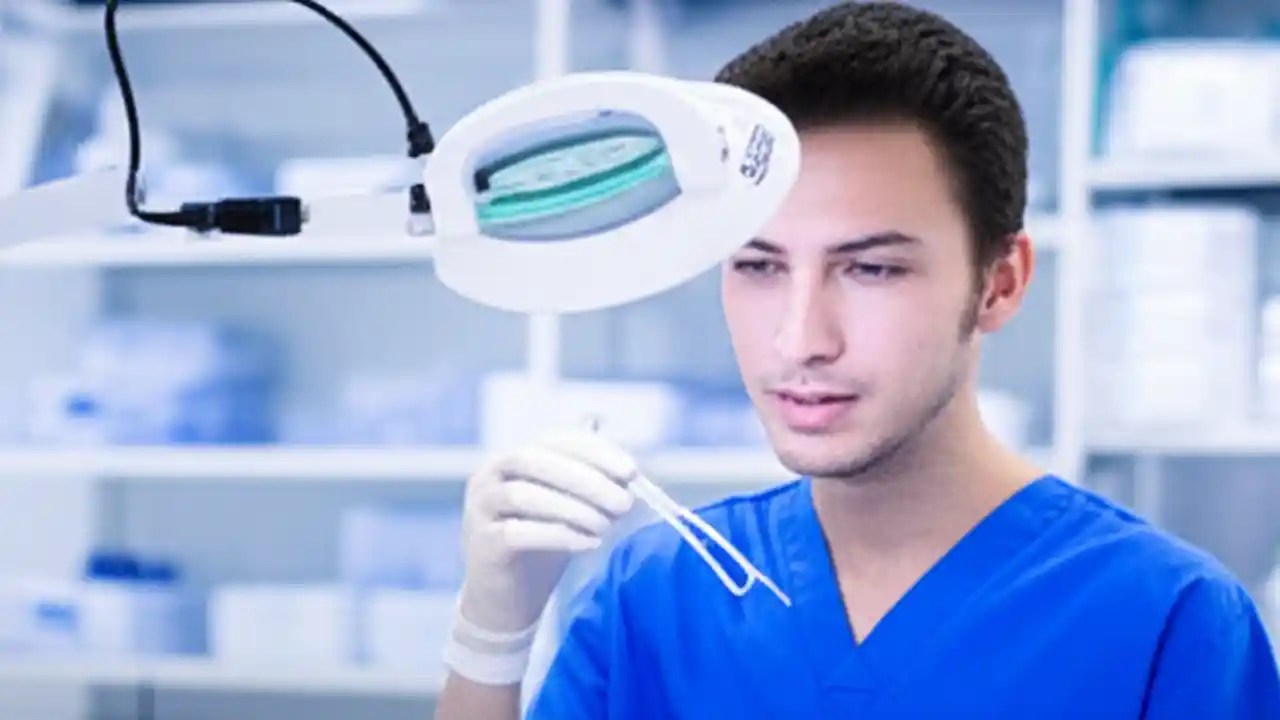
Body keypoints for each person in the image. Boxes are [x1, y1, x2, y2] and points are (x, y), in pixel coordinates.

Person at [434, 2, 1280, 718]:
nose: (801, 338)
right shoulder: (652, 601)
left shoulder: (1167, 624)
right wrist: (491, 633)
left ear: (1000, 282)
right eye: (759, 266)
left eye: (871, 268)